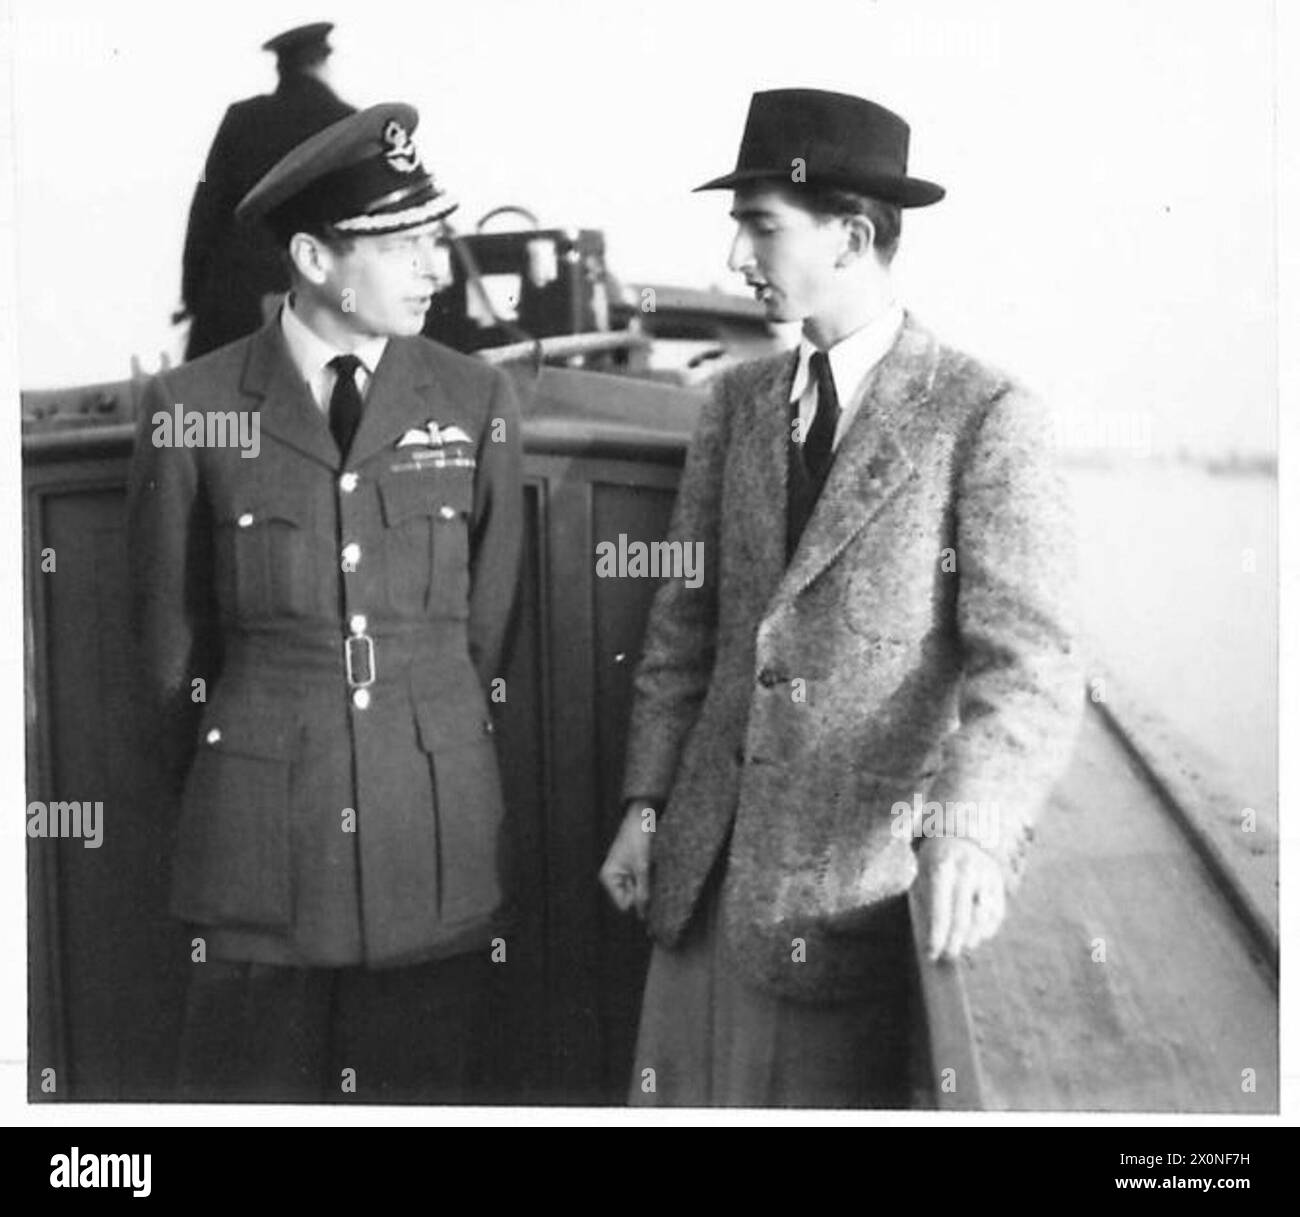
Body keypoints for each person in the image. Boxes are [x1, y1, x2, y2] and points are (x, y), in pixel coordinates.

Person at [599, 88, 1082, 1107]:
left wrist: (974, 826)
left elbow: (1030, 663)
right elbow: (682, 630)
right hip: (695, 885)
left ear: (852, 235)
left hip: (838, 904)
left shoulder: (983, 415)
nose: (736, 257)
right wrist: (644, 805)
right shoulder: (731, 405)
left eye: (760, 225)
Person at [129, 102, 524, 1103]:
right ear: (311, 255)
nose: (433, 266)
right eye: (400, 244)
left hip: (424, 842)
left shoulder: (476, 401)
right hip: (262, 847)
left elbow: (486, 632)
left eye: (434, 237)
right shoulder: (193, 407)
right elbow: (170, 654)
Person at [179, 22, 355, 360]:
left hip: (235, 299)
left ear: (280, 68)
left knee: (214, 405)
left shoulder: (241, 119)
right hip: (318, 297)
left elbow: (205, 209)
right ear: (322, 63)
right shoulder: (346, 123)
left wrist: (192, 296)